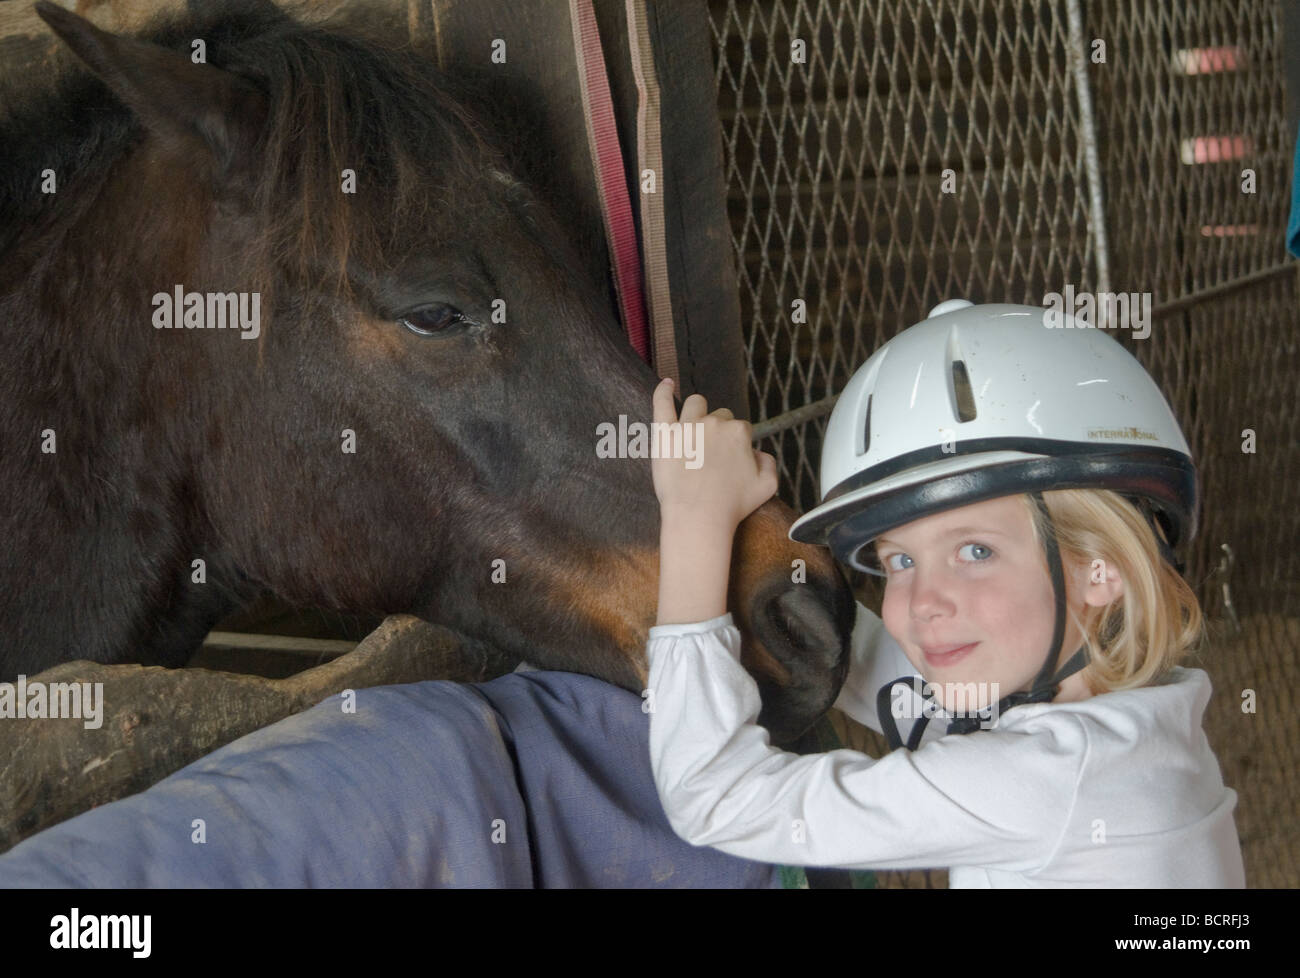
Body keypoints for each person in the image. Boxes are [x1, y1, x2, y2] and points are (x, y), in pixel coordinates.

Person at [647, 299, 1246, 888]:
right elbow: (875, 670)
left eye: (975, 551)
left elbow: (713, 796)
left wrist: (696, 522)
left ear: (1102, 567)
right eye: (900, 561)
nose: (923, 602)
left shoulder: (1046, 781)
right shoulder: (1139, 721)